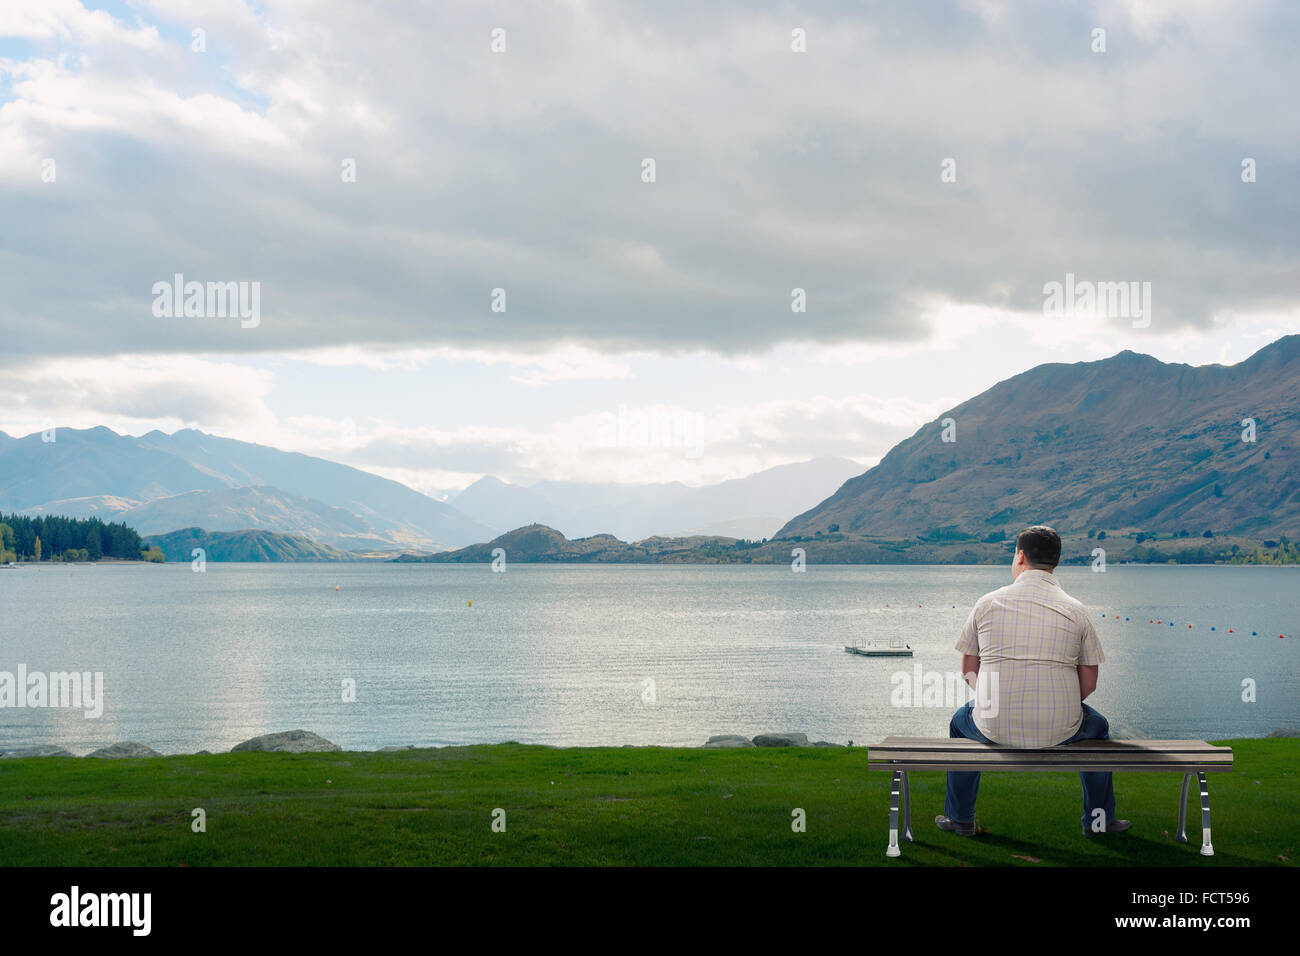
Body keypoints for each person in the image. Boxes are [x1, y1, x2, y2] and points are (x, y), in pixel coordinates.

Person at [935, 525, 1129, 837]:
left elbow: (969, 671)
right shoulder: (1078, 610)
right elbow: (1089, 683)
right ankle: (1099, 822)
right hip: (1062, 730)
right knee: (1098, 727)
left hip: (992, 726)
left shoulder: (986, 603)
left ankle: (960, 818)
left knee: (960, 721)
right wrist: (1061, 704)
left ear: (1021, 556)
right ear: (1056, 561)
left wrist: (991, 697)